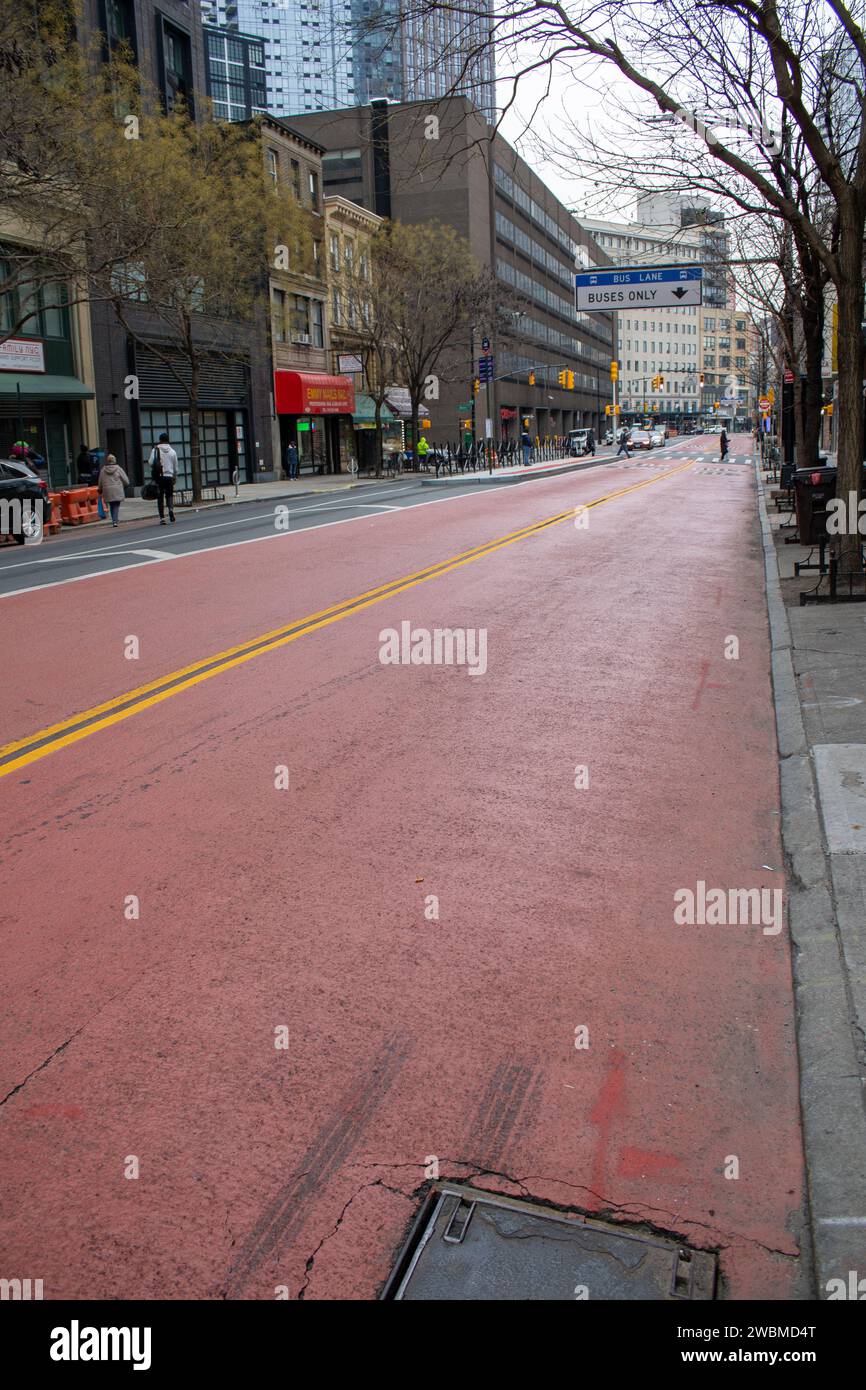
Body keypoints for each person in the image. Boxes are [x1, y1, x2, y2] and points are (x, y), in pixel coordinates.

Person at [149, 431, 178, 524]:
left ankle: (162, 518)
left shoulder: (155, 450)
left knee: (160, 496)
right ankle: (170, 510)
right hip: (169, 477)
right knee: (169, 495)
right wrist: (174, 476)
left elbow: (150, 462)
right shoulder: (173, 452)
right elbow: (175, 467)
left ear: (160, 440)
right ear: (168, 440)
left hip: (159, 476)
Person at [97, 454, 129, 527]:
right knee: (116, 505)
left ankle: (114, 520)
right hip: (117, 489)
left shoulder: (103, 470)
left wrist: (100, 489)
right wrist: (125, 484)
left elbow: (100, 481)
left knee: (111, 505)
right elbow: (126, 480)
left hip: (107, 490)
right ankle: (115, 520)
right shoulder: (118, 469)